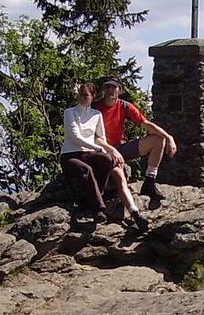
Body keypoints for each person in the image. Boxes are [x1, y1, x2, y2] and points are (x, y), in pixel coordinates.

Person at [60, 81, 149, 231]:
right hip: (71, 154)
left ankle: (93, 198)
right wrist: (97, 148)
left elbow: (101, 137)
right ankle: (98, 209)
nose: (82, 98)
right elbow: (75, 136)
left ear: (92, 96)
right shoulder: (70, 112)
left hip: (89, 153)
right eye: (80, 95)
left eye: (86, 95)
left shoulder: (96, 114)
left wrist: (108, 151)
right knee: (85, 169)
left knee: (107, 160)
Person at [94, 79, 177, 207]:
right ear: (104, 90)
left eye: (114, 88)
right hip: (102, 150)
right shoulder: (95, 107)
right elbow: (91, 135)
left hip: (121, 148)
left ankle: (149, 182)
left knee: (159, 140)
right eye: (108, 87)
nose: (111, 90)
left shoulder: (124, 106)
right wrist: (109, 149)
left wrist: (169, 137)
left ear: (119, 90)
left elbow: (146, 124)